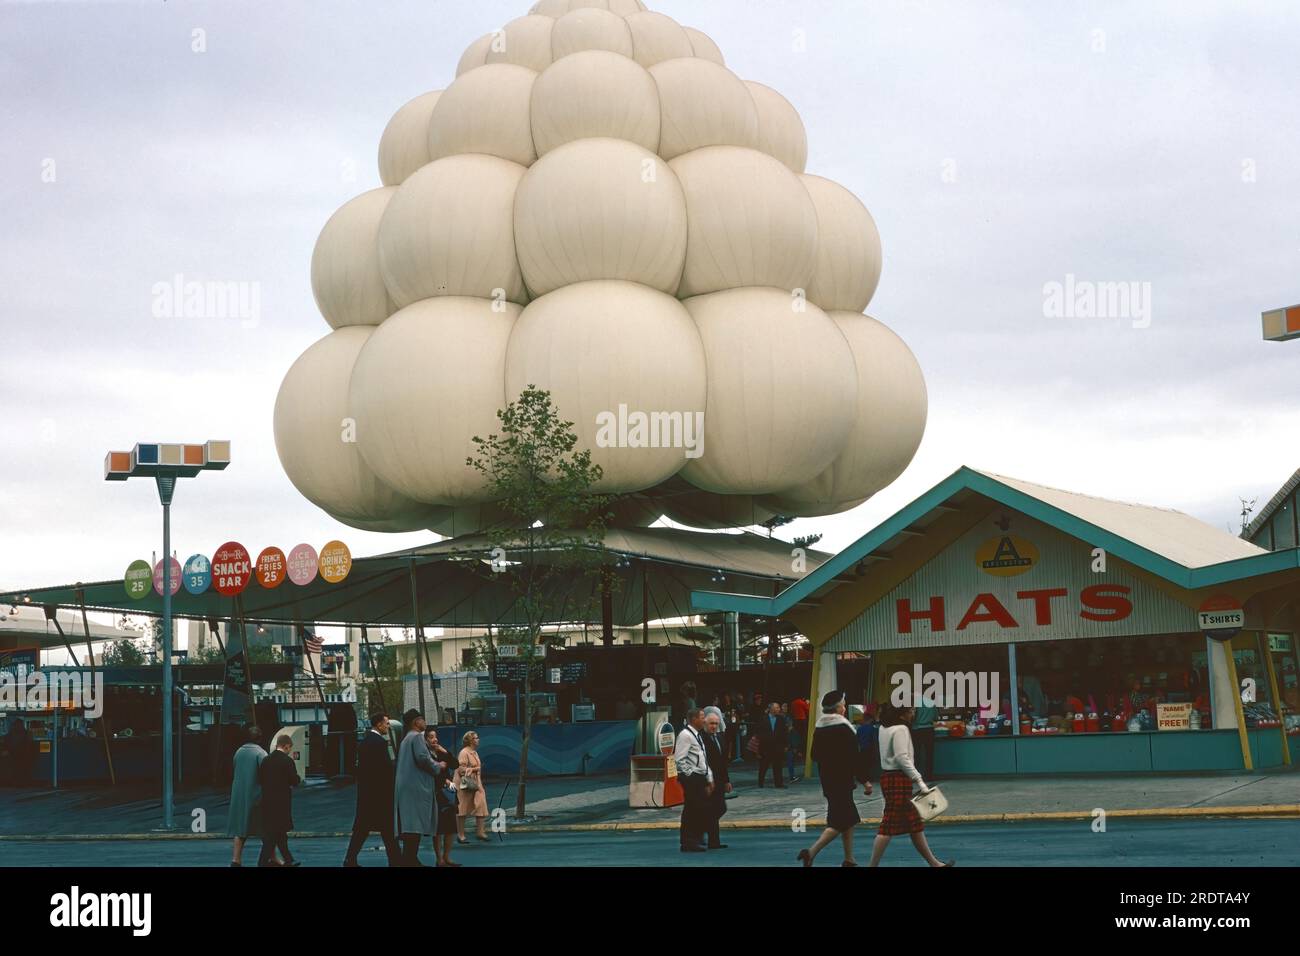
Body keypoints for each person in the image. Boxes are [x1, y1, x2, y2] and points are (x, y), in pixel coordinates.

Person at [868, 702, 952, 868]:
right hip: (899, 778)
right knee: (888, 825)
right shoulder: (901, 729)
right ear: (902, 714)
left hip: (888, 777)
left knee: (915, 824)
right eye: (911, 710)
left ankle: (934, 863)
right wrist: (919, 779)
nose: (913, 713)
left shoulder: (884, 728)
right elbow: (902, 757)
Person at [798, 690, 872, 867]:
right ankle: (811, 852)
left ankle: (849, 859)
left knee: (846, 819)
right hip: (843, 780)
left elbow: (814, 755)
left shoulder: (820, 727)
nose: (845, 708)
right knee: (841, 821)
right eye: (843, 704)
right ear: (838, 708)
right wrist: (865, 780)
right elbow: (855, 757)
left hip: (828, 781)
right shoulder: (844, 728)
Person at [343, 712, 400, 867]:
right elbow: (385, 770)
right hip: (380, 796)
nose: (388, 726)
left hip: (367, 795)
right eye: (386, 723)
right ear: (379, 724)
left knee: (361, 831)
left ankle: (350, 859)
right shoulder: (380, 743)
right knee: (388, 831)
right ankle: (395, 861)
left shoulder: (365, 742)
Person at [394, 709, 437, 866]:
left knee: (411, 824)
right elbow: (423, 759)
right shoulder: (417, 737)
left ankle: (410, 858)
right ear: (415, 722)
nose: (424, 722)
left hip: (407, 787)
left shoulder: (407, 738)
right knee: (415, 825)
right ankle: (410, 859)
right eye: (421, 719)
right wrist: (438, 766)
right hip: (416, 787)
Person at [227, 726, 270, 867]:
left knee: (241, 829)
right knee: (267, 829)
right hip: (256, 795)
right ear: (260, 738)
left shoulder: (239, 752)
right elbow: (266, 774)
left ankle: (236, 859)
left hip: (239, 795)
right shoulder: (260, 753)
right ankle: (272, 857)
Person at [673, 707, 713, 853]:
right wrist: (690, 776)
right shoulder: (685, 735)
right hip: (692, 778)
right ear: (694, 719)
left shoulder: (697, 735)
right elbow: (679, 759)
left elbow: (702, 758)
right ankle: (688, 842)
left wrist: (708, 777)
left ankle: (696, 837)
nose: (705, 719)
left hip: (699, 777)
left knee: (700, 809)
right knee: (691, 810)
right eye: (702, 717)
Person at [257, 734, 301, 867]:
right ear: (286, 746)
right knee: (276, 834)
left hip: (267, 801)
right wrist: (298, 778)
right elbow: (294, 781)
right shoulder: (287, 761)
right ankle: (263, 862)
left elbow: (260, 779)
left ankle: (289, 859)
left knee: (277, 832)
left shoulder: (266, 760)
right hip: (282, 802)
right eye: (289, 748)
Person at [424, 726, 460, 866]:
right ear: (426, 740)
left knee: (451, 827)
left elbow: (455, 765)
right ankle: (439, 858)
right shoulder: (426, 754)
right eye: (431, 737)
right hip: (437, 792)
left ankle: (447, 856)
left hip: (448, 793)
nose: (435, 739)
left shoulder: (440, 752)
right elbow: (428, 773)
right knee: (438, 828)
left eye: (435, 736)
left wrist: (445, 751)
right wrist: (442, 780)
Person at [699, 711, 731, 849]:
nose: (714, 726)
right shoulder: (701, 739)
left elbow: (723, 762)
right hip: (707, 780)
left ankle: (703, 829)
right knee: (713, 810)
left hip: (719, 779)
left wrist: (726, 781)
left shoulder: (720, 737)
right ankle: (713, 841)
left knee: (720, 808)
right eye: (711, 723)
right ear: (705, 723)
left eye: (716, 724)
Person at [456, 730, 489, 843]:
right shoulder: (464, 753)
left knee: (481, 804)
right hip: (465, 784)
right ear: (470, 741)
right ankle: (460, 834)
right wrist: (475, 769)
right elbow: (461, 770)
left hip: (476, 783)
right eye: (475, 738)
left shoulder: (474, 752)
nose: (478, 739)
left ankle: (480, 831)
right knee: (462, 808)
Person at [755, 702, 788, 788]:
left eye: (778, 707)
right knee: (763, 766)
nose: (779, 709)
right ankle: (760, 783)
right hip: (766, 746)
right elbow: (758, 731)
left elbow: (784, 733)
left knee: (778, 766)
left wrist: (785, 745)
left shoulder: (781, 719)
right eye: (777, 708)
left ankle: (779, 783)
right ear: (771, 709)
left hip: (778, 746)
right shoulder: (763, 719)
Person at [855, 703, 882, 783]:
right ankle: (869, 777)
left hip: (862, 748)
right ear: (870, 720)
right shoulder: (872, 728)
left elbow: (857, 739)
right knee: (869, 764)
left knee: (863, 764)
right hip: (870, 749)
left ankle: (863, 777)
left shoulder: (859, 728)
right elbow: (874, 739)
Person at [4, 720, 35, 787]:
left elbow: (8, 742)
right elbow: (29, 744)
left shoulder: (11, 734)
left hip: (15, 755)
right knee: (23, 770)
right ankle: (23, 783)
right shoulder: (26, 733)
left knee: (16, 770)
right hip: (23, 755)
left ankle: (18, 783)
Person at [912, 697, 937, 781]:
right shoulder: (932, 703)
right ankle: (928, 776)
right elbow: (936, 717)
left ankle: (915, 776)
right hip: (929, 730)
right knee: (929, 754)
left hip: (917, 730)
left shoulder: (915, 702)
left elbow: (913, 716)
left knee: (916, 753)